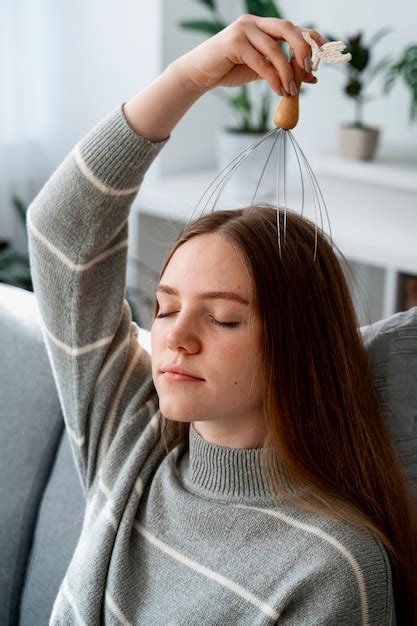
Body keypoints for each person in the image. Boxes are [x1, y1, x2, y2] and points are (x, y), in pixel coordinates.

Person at [26, 14, 416, 625]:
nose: (175, 339)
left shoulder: (330, 570)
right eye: (164, 307)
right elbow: (63, 233)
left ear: (295, 348)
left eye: (224, 320)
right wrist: (190, 76)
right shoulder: (131, 432)